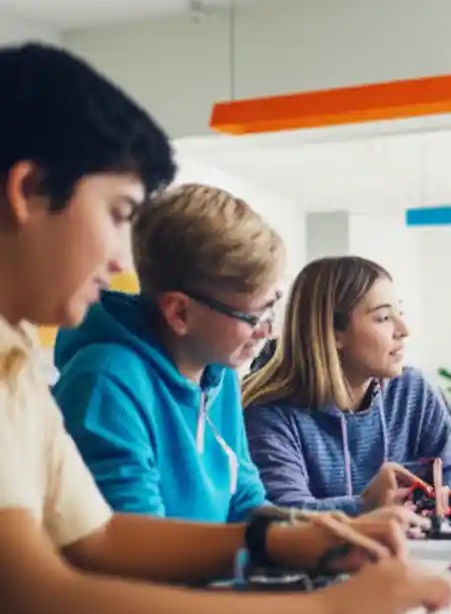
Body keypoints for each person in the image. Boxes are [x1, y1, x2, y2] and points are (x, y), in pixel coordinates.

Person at [0, 42, 451, 614]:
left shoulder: (15, 363)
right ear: (29, 192)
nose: (119, 260)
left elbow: (99, 537)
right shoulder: (98, 373)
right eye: (117, 213)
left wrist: (282, 540)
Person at [52, 183, 281, 522]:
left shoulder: (220, 372)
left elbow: (246, 500)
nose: (268, 330)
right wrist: (277, 545)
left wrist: (335, 535)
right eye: (253, 317)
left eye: (272, 307)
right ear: (179, 313)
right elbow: (137, 544)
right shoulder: (104, 382)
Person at [243, 256, 451, 514]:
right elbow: (283, 514)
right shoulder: (269, 414)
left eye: (400, 313)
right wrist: (365, 505)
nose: (403, 330)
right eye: (383, 318)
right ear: (334, 333)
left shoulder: (414, 391)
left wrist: (449, 503)